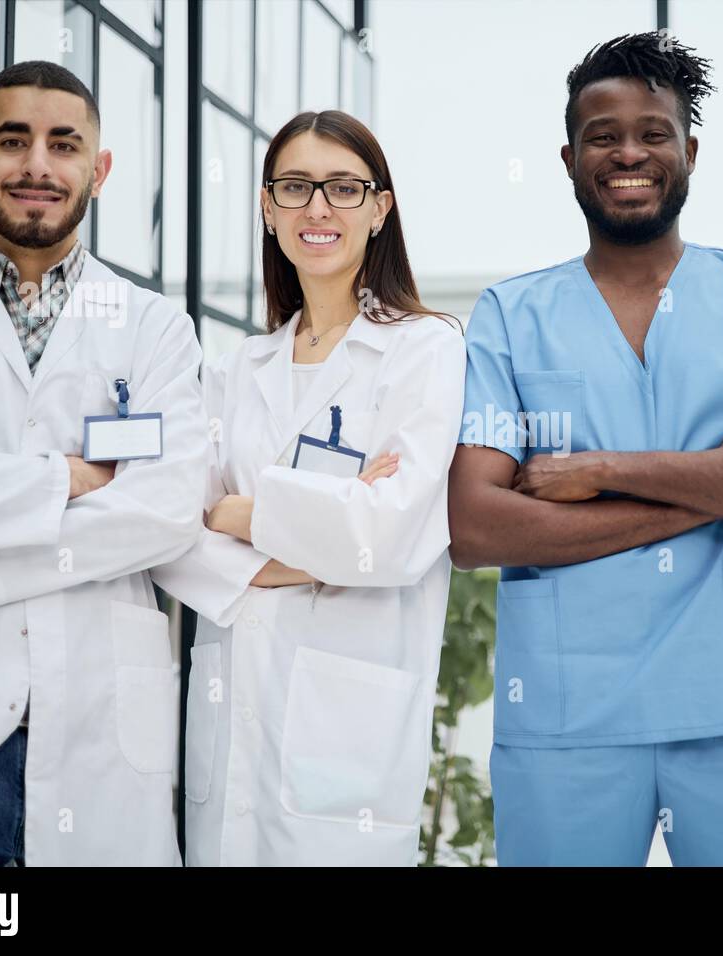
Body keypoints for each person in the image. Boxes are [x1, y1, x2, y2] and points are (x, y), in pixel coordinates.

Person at [448, 33, 723, 866]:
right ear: (569, 158)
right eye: (603, 135)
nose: (628, 152)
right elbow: (476, 528)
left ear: (690, 152)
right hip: (568, 726)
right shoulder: (511, 314)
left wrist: (599, 471)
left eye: (653, 132)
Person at [0, 61, 207, 865]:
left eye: (65, 144)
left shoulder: (155, 329)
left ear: (101, 168)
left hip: (100, 745)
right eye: (12, 141)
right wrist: (69, 479)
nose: (38, 167)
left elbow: (165, 508)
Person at [151, 110, 465, 866]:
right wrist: (321, 530)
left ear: (379, 209)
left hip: (347, 745)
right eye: (295, 187)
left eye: (343, 188)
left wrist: (236, 513)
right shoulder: (232, 371)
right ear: (267, 207)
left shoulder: (424, 350)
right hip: (230, 735)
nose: (317, 208)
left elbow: (388, 540)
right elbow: (168, 533)